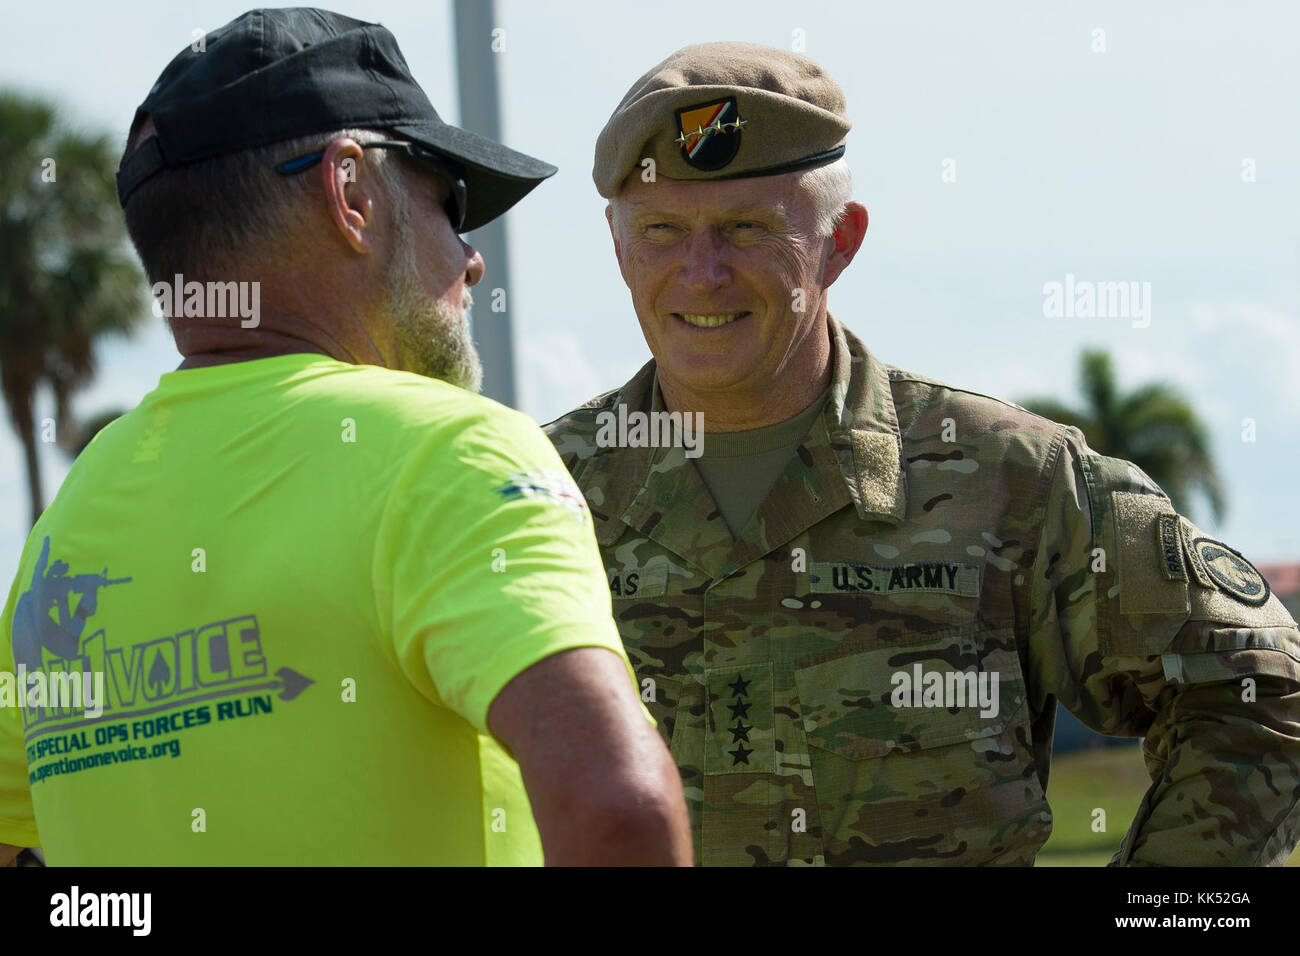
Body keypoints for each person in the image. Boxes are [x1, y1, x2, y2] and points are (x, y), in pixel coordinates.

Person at [543, 41, 1300, 866]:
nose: (701, 273)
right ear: (617, 245)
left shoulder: (1013, 482)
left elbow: (1258, 695)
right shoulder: (531, 498)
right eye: (661, 230)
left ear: (841, 241)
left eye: (746, 229)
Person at [0, 8, 691, 867]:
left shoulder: (67, 525)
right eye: (449, 201)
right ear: (353, 193)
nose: (471, 258)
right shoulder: (449, 453)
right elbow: (619, 811)